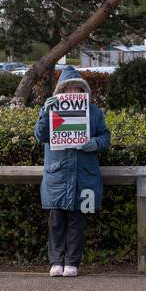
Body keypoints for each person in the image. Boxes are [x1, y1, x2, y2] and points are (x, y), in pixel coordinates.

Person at [35, 66, 110, 277]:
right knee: (56, 219)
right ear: (61, 91)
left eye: (76, 88)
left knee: (78, 220)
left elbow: (106, 138)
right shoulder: (51, 110)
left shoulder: (94, 113)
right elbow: (40, 136)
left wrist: (93, 143)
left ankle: (72, 262)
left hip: (82, 174)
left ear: (82, 91)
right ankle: (56, 261)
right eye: (68, 89)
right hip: (58, 174)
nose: (72, 92)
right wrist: (44, 113)